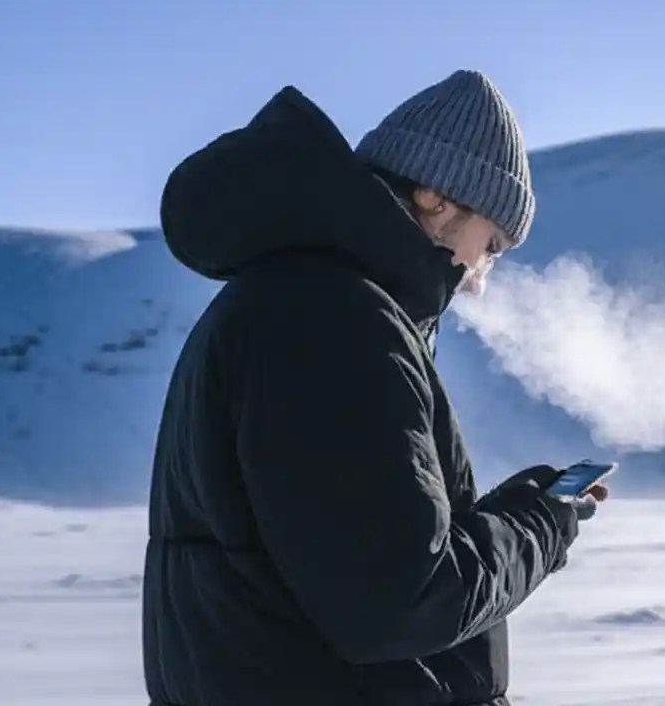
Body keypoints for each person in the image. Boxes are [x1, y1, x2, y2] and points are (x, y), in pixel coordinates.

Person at [143, 70, 605, 706]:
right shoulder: (334, 322)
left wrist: (506, 512)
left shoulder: (299, 300)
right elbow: (401, 604)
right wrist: (540, 526)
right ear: (437, 199)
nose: (480, 280)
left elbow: (359, 552)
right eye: (491, 245)